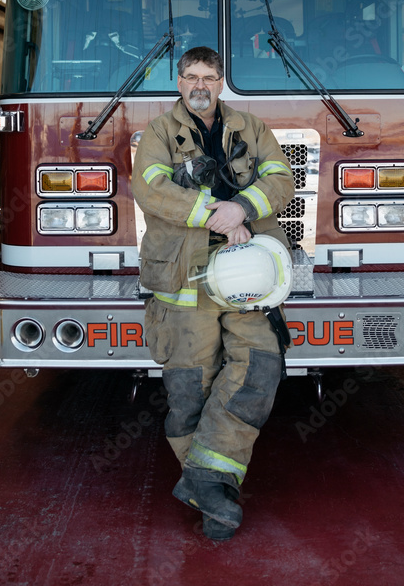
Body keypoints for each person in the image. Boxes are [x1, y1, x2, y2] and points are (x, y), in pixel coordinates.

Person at [131, 46, 294, 540]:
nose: (199, 84)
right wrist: (215, 214)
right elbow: (150, 186)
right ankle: (213, 497)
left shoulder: (252, 128)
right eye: (190, 76)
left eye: (208, 76)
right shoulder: (159, 132)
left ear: (222, 81)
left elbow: (282, 178)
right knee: (188, 390)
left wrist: (242, 207)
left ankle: (204, 480)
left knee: (260, 366)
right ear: (178, 83)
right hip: (184, 282)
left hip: (247, 279)